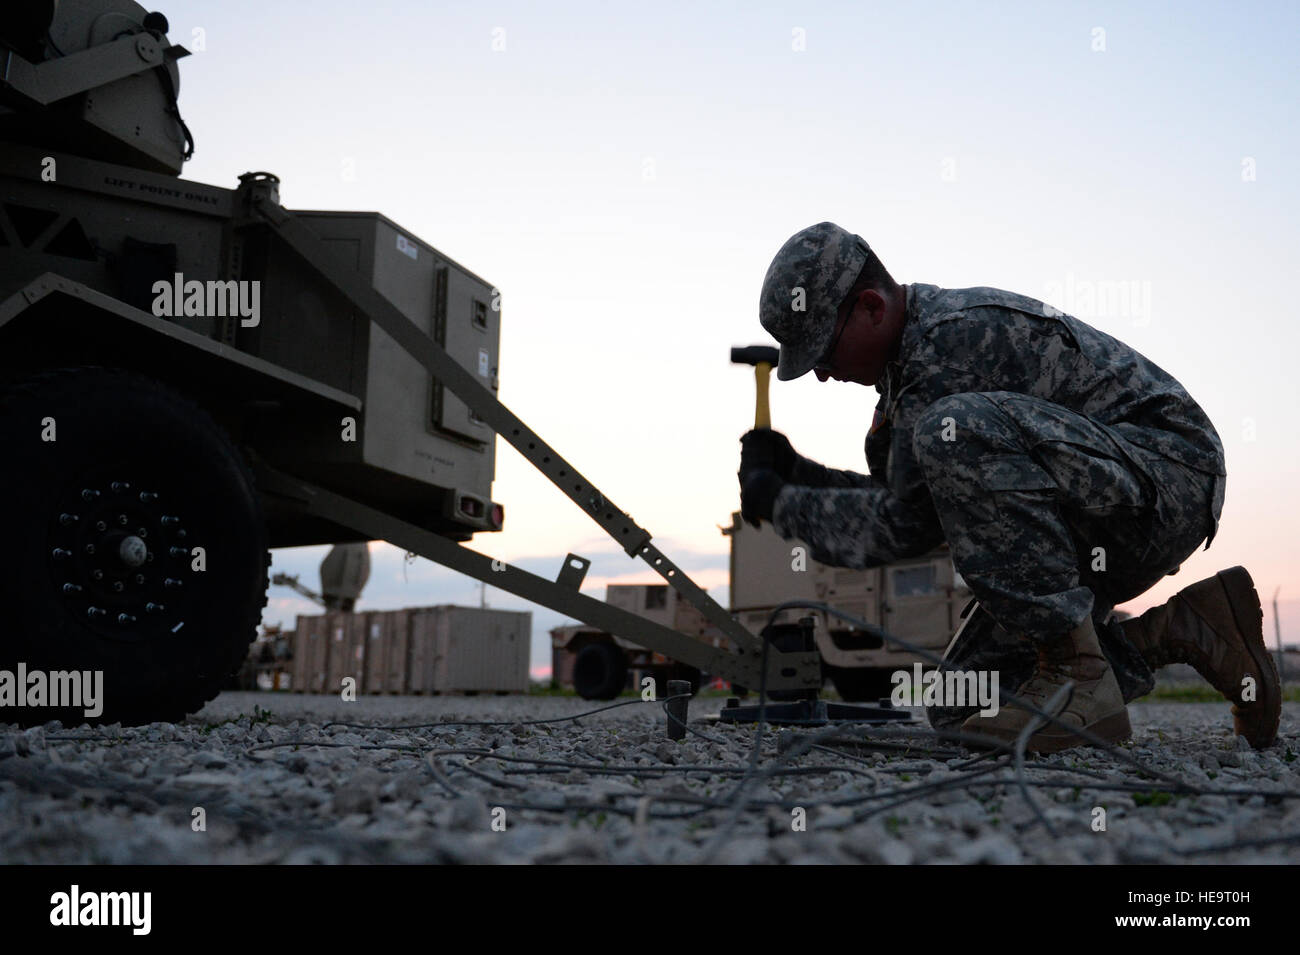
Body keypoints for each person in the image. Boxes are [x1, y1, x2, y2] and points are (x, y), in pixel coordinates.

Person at [739, 221, 1280, 752]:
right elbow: (917, 508)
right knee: (962, 704)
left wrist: (783, 504)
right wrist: (797, 475)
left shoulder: (949, 343)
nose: (823, 374)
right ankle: (1186, 628)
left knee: (953, 432)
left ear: (871, 307)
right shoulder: (908, 376)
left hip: (1169, 480)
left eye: (825, 352)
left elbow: (903, 528)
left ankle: (1078, 674)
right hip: (1106, 499)